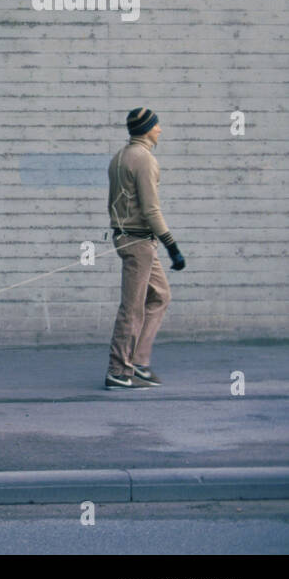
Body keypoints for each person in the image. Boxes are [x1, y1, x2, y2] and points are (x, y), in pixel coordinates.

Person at [104, 107, 184, 389]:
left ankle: (137, 362)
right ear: (147, 129)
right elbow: (151, 210)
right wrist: (172, 246)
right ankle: (117, 369)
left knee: (160, 295)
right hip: (138, 242)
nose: (160, 128)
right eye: (157, 124)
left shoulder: (120, 157)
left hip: (133, 239)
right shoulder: (144, 160)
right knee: (133, 307)